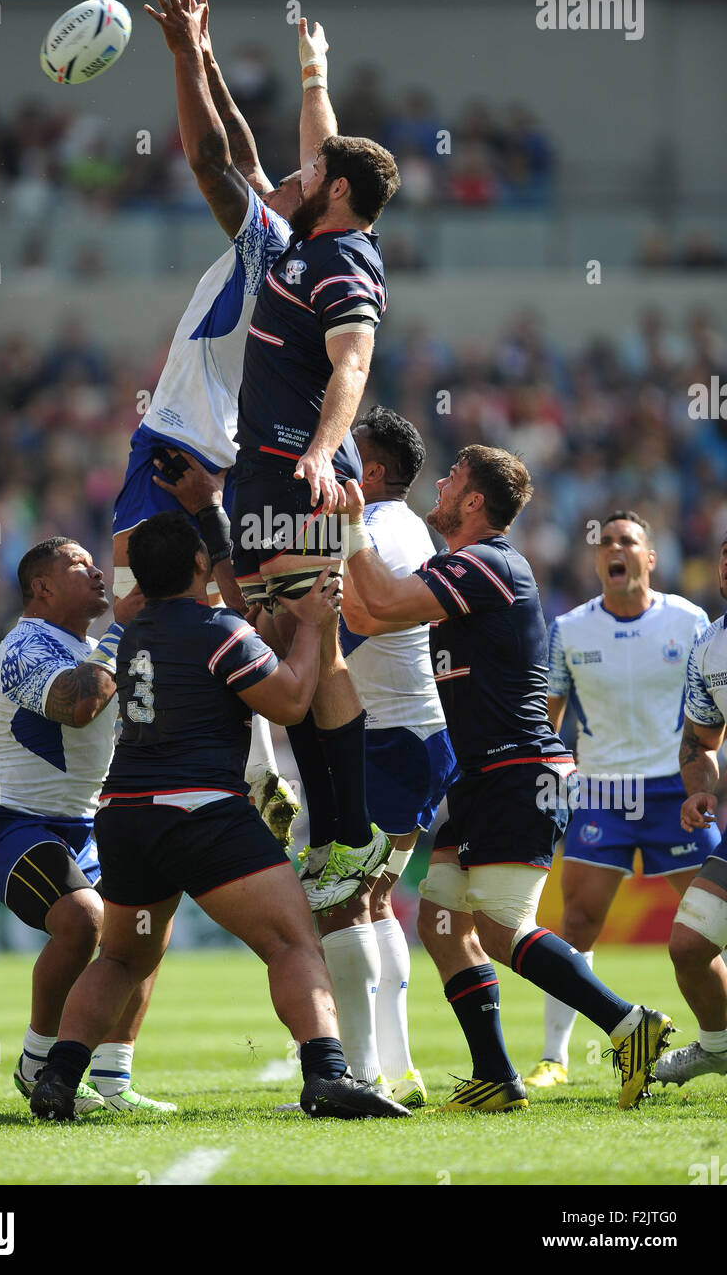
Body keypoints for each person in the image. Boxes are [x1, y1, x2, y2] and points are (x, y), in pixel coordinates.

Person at [28, 513, 410, 1123]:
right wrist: (310, 627)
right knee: (290, 941)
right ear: (201, 567)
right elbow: (288, 701)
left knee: (122, 959)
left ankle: (58, 1078)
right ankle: (327, 1076)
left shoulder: (127, 636)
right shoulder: (219, 630)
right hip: (201, 811)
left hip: (125, 814)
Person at [338, 445, 673, 1111]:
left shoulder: (488, 564)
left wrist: (347, 528)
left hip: (519, 769)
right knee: (440, 922)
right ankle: (496, 1074)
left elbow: (375, 596)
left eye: (452, 477)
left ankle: (631, 1026)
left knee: (500, 926)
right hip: (482, 775)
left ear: (472, 503)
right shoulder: (457, 569)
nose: (437, 482)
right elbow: (367, 615)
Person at [112, 0, 336, 844]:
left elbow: (212, 161)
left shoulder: (274, 244)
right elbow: (241, 153)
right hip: (218, 453)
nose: (283, 171)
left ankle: (198, 773)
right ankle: (258, 764)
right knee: (210, 607)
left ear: (301, 205)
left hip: (177, 443)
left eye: (303, 174)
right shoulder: (299, 252)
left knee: (134, 615)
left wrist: (178, 60)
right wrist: (203, 52)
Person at [230, 127, 401, 911]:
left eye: (314, 169)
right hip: (262, 470)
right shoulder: (314, 237)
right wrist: (312, 69)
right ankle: (332, 838)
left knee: (311, 637)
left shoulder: (344, 261)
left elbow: (353, 362)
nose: (300, 172)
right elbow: (324, 144)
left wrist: (324, 450)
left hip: (301, 471)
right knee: (275, 635)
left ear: (335, 189)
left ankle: (352, 831)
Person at [0, 538, 172, 1115]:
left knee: (144, 924)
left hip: (81, 826)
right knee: (83, 920)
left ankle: (112, 1080)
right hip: (3, 820)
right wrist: (123, 630)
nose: (98, 570)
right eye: (79, 564)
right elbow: (77, 703)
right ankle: (36, 1058)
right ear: (42, 588)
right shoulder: (25, 643)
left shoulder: (94, 646)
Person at [525, 511, 714, 1089]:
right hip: (603, 790)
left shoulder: (689, 620)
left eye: (627, 541)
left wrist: (706, 782)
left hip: (674, 789)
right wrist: (545, 779)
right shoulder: (571, 629)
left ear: (649, 558)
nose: (614, 548)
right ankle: (554, 1057)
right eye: (605, 541)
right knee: (577, 920)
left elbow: (714, 707)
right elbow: (548, 716)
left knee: (713, 923)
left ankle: (719, 1039)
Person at [317, 407, 457, 1108]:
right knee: (372, 899)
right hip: (414, 736)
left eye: (345, 454)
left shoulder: (371, 533)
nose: (331, 463)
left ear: (369, 471)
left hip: (389, 742)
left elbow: (351, 632)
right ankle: (396, 1070)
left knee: (341, 903)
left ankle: (363, 1075)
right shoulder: (409, 529)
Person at [656, 535, 727, 1086]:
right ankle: (720, 1046)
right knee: (689, 944)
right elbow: (701, 740)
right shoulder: (710, 646)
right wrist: (701, 787)